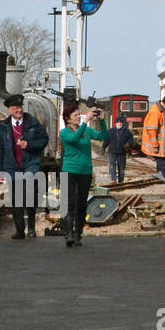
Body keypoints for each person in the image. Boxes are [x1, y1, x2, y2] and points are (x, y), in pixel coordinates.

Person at [0, 94, 49, 240]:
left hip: (30, 163)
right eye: (15, 108)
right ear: (9, 110)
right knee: (15, 198)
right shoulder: (3, 126)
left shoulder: (33, 122)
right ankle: (20, 230)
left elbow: (44, 139)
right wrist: (1, 170)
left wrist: (30, 145)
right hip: (12, 166)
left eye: (20, 107)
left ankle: (31, 228)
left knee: (29, 194)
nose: (19, 110)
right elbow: (0, 149)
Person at [59, 105, 95, 246]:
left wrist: (103, 121)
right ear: (67, 119)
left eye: (80, 114)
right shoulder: (64, 133)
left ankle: (78, 233)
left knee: (81, 203)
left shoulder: (86, 130)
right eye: (76, 115)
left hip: (85, 171)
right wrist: (86, 120)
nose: (79, 117)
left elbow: (103, 136)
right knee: (68, 202)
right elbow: (74, 139)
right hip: (69, 169)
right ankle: (68, 233)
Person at [104, 116, 134, 184]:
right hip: (112, 151)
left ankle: (121, 180)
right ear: (115, 123)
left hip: (122, 152)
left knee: (122, 167)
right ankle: (113, 179)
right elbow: (106, 140)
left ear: (122, 123)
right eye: (118, 122)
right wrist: (103, 147)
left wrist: (128, 144)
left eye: (120, 122)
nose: (119, 124)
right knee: (112, 165)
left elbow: (131, 139)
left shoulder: (127, 131)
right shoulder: (111, 131)